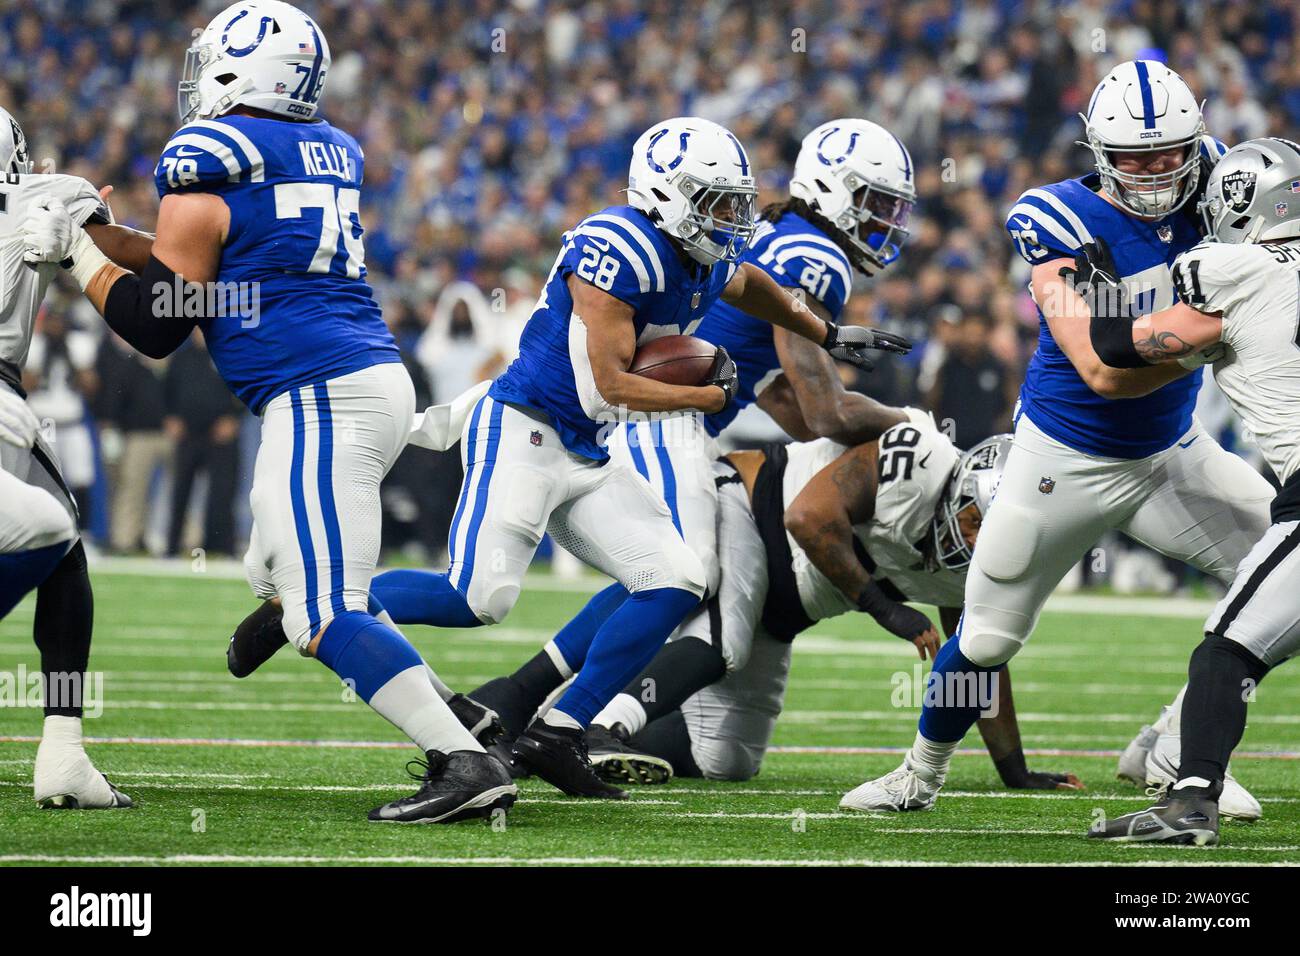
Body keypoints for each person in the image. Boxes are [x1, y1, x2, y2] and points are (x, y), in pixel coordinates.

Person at [21, 0, 513, 824]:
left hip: (322, 396)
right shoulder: (322, 148)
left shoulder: (208, 154)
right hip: (358, 383)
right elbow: (213, 260)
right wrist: (107, 234)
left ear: (239, 70)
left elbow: (159, 322)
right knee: (281, 576)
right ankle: (461, 716)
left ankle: (461, 759)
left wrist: (75, 254)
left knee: (322, 609)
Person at [367, 116, 910, 799]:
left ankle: (553, 724)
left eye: (736, 202)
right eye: (717, 202)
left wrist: (823, 331)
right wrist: (908, 428)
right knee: (479, 597)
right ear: (669, 196)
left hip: (609, 435)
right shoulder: (625, 247)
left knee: (671, 579)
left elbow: (752, 298)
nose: (734, 217)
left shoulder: (712, 253)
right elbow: (618, 382)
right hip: (568, 423)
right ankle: (340, 608)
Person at [843, 60, 1273, 814]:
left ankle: (1175, 746)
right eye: (1135, 157)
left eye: (1170, 152)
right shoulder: (1056, 218)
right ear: (1099, 153)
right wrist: (1210, 343)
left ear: (1197, 140)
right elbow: (1099, 371)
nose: (1154, 170)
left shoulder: (1226, 188)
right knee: (986, 638)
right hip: (1064, 456)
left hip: (1172, 450)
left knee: (1278, 586)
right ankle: (919, 772)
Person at [585, 422, 1079, 795]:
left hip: (783, 607)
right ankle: (598, 729)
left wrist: (1015, 771)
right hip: (747, 512)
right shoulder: (921, 462)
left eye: (990, 534)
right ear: (966, 487)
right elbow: (807, 517)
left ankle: (556, 728)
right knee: (724, 640)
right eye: (975, 520)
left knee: (725, 758)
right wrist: (887, 611)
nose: (974, 539)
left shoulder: (970, 567)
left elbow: (977, 660)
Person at [1088, 138, 1300, 844]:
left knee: (1226, 652)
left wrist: (1089, 285)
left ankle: (1190, 801)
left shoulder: (1231, 268)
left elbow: (1121, 349)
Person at [0, 104, 131, 808]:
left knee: (57, 542)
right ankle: (62, 752)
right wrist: (89, 234)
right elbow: (147, 263)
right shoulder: (49, 195)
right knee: (58, 541)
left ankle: (64, 755)